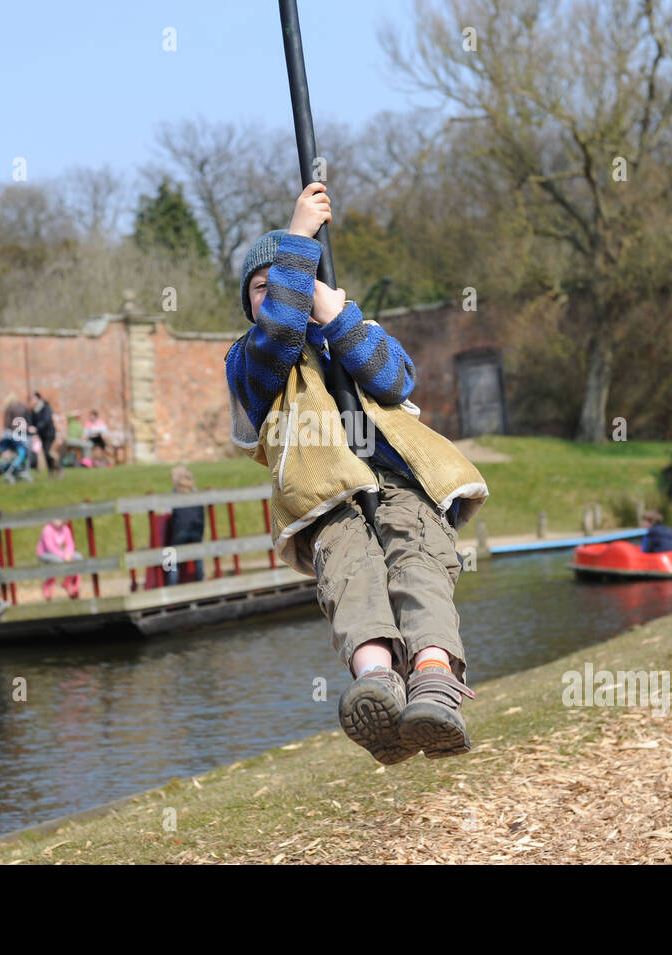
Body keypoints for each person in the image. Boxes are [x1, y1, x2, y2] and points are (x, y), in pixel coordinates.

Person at [225, 182, 488, 765]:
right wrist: (298, 238)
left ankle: (433, 678)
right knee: (351, 572)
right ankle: (376, 681)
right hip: (327, 494)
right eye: (260, 288)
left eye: (289, 280)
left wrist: (339, 317)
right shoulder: (251, 359)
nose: (276, 294)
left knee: (418, 562)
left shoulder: (351, 330)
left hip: (399, 479)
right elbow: (280, 332)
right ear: (249, 306)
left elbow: (394, 379)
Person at [165, 466, 205, 586]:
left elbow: (167, 511)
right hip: (197, 529)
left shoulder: (175, 493)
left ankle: (171, 583)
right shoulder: (196, 491)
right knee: (198, 555)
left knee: (171, 553)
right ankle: (201, 580)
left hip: (180, 529)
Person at [36, 518, 83, 600]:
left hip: (59, 553)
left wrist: (68, 554)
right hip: (44, 553)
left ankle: (68, 582)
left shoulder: (65, 529)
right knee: (59, 561)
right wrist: (63, 555)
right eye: (56, 519)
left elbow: (70, 544)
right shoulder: (47, 529)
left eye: (60, 519)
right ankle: (47, 584)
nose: (58, 521)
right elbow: (50, 547)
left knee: (78, 557)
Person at [30, 391, 59, 478]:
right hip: (42, 434)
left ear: (38, 398)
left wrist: (37, 428)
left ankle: (57, 466)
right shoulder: (34, 410)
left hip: (49, 433)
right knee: (46, 454)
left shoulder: (46, 407)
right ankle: (51, 473)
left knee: (47, 452)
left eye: (33, 398)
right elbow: (33, 421)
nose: (32, 400)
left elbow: (46, 420)